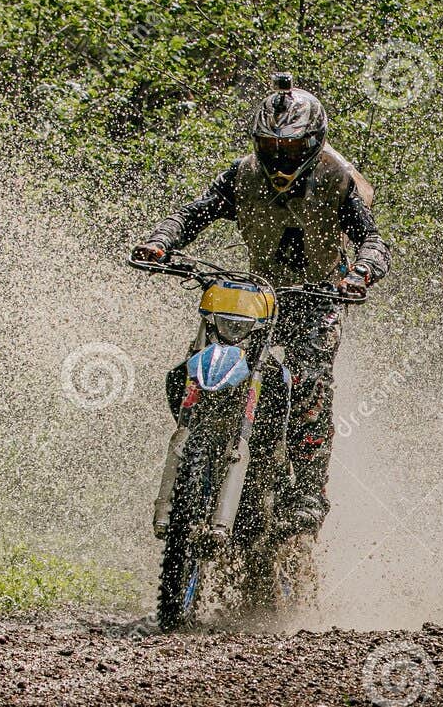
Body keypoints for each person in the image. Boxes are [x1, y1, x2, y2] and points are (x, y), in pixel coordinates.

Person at [133, 72, 391, 539]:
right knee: (188, 370)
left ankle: (307, 492)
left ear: (312, 144)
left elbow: (372, 239)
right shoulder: (243, 173)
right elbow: (196, 211)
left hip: (317, 295)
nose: (279, 158)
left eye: (290, 150)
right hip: (257, 294)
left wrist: (361, 272)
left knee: (311, 381)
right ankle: (207, 441)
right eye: (271, 147)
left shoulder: (337, 179)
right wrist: (160, 241)